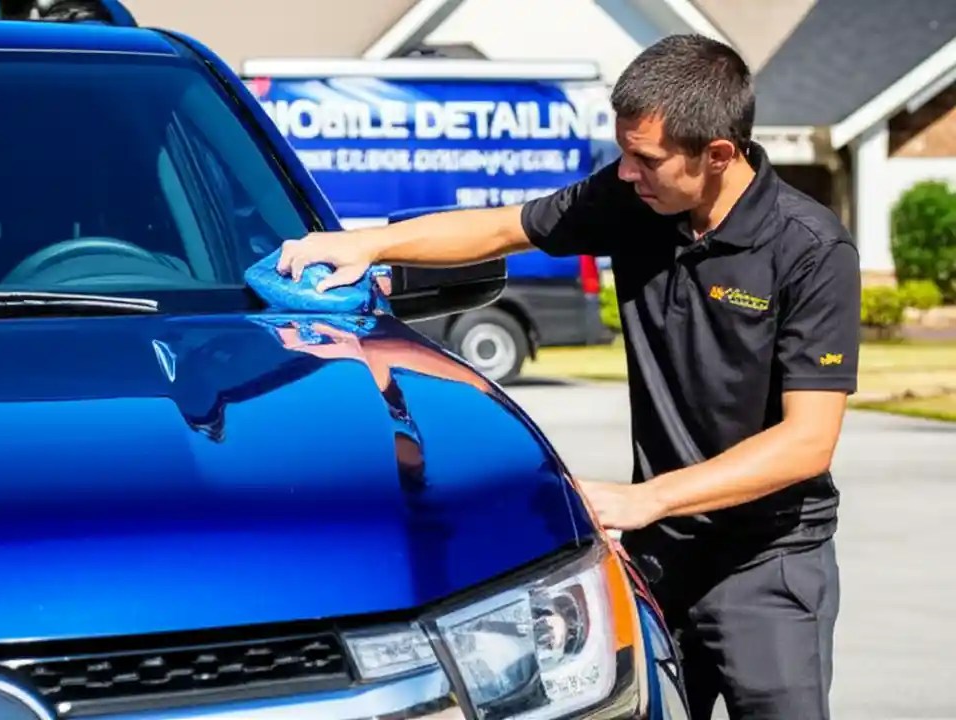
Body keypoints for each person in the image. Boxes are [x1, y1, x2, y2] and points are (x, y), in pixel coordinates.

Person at [276, 33, 858, 720]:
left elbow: (807, 443)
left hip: (765, 562)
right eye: (623, 152)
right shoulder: (632, 200)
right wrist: (367, 243)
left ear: (719, 155)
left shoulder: (811, 249)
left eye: (646, 159)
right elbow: (499, 229)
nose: (626, 172)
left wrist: (646, 500)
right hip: (661, 558)